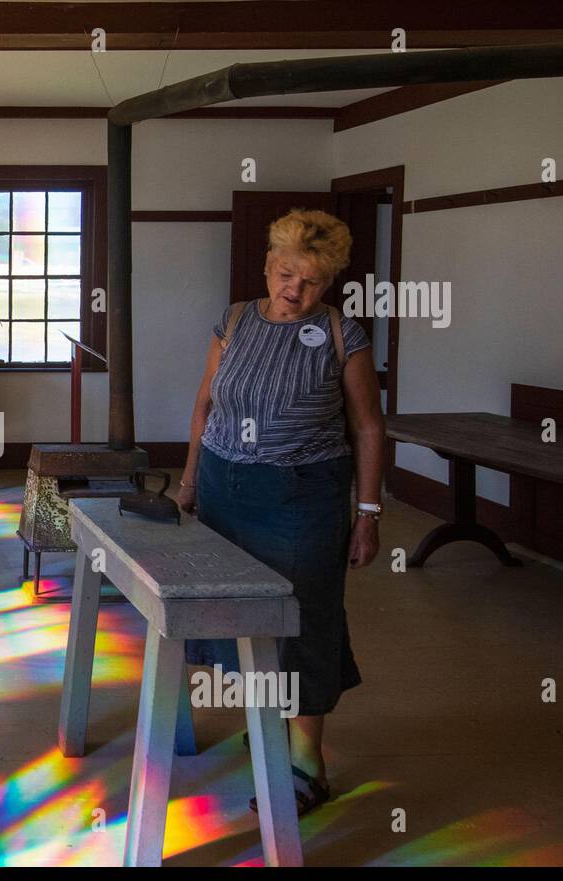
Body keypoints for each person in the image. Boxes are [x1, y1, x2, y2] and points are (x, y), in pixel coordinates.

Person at [176, 208, 385, 815]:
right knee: (234, 612)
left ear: (329, 283)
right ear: (268, 265)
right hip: (224, 488)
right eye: (287, 274)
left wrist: (367, 512)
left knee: (302, 619)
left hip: (303, 497)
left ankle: (306, 761)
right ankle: (266, 718)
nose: (295, 290)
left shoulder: (344, 334)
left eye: (312, 281)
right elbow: (205, 404)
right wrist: (189, 480)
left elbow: (369, 428)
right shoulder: (235, 320)